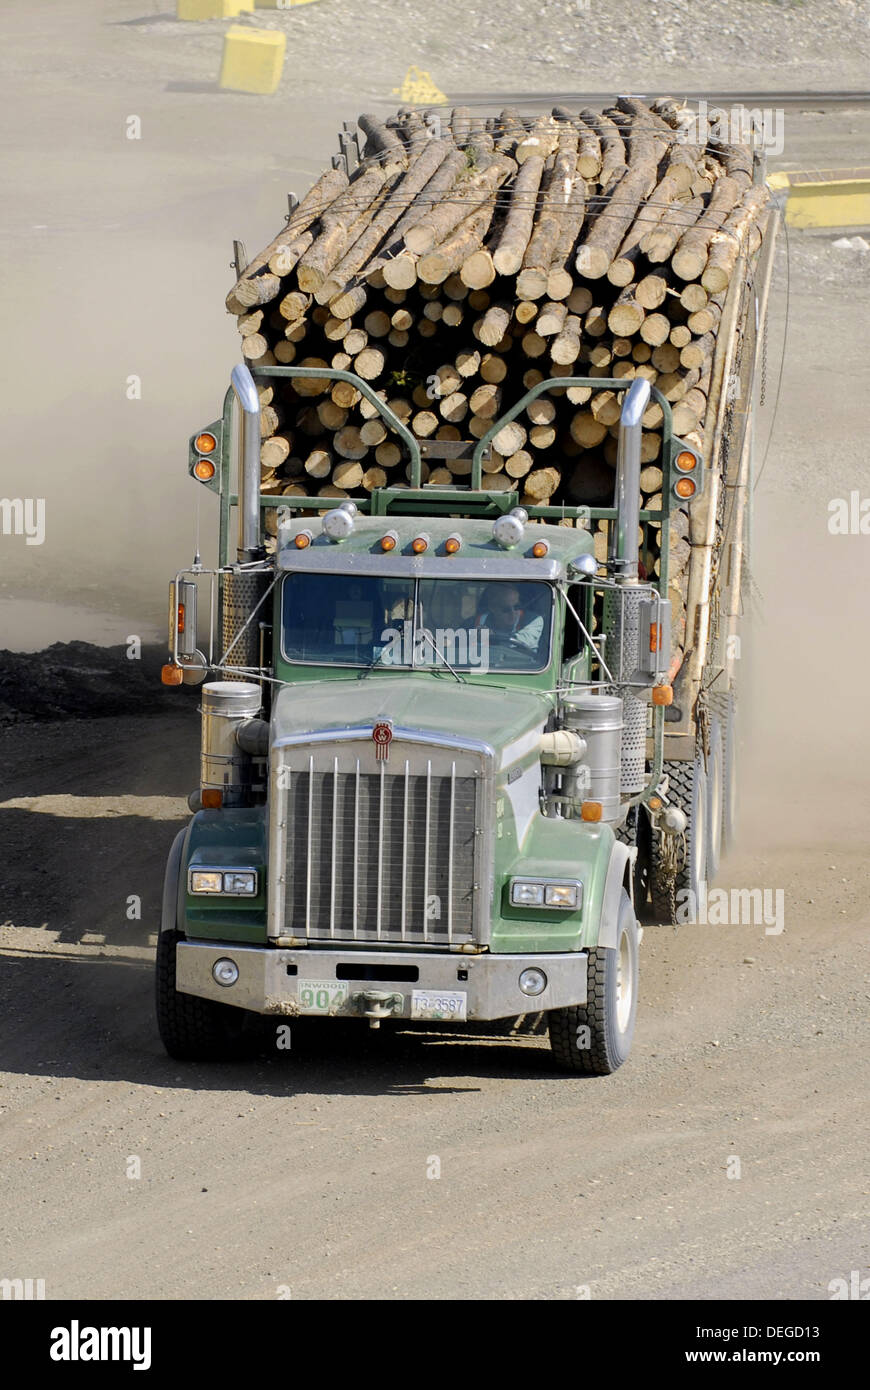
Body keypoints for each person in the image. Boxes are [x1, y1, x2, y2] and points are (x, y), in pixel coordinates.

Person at [476, 583, 545, 655]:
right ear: (492, 608)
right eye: (506, 609)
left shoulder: (533, 621)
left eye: (517, 607)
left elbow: (519, 643)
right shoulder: (475, 622)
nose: (513, 613)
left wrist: (493, 637)